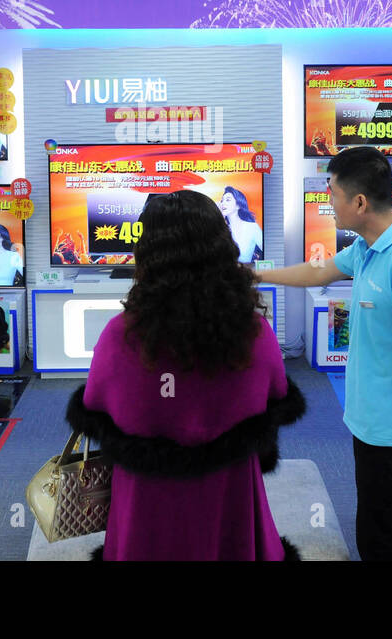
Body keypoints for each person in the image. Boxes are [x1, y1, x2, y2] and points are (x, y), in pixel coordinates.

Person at [66, 190, 305, 561]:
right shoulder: (253, 331)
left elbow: (96, 403)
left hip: (146, 499)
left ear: (147, 252)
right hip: (229, 492)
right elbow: (274, 393)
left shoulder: (120, 334)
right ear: (221, 246)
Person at [255, 146, 392, 562]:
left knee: (376, 535)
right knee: (387, 519)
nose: (329, 206)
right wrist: (253, 273)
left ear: (359, 202)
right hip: (369, 417)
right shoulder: (368, 246)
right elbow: (317, 271)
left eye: (332, 196)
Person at [218, 184, 263, 263]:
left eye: (228, 200)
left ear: (238, 205)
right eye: (222, 200)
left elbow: (267, 251)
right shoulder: (220, 229)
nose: (223, 203)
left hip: (245, 272)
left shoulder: (252, 227)